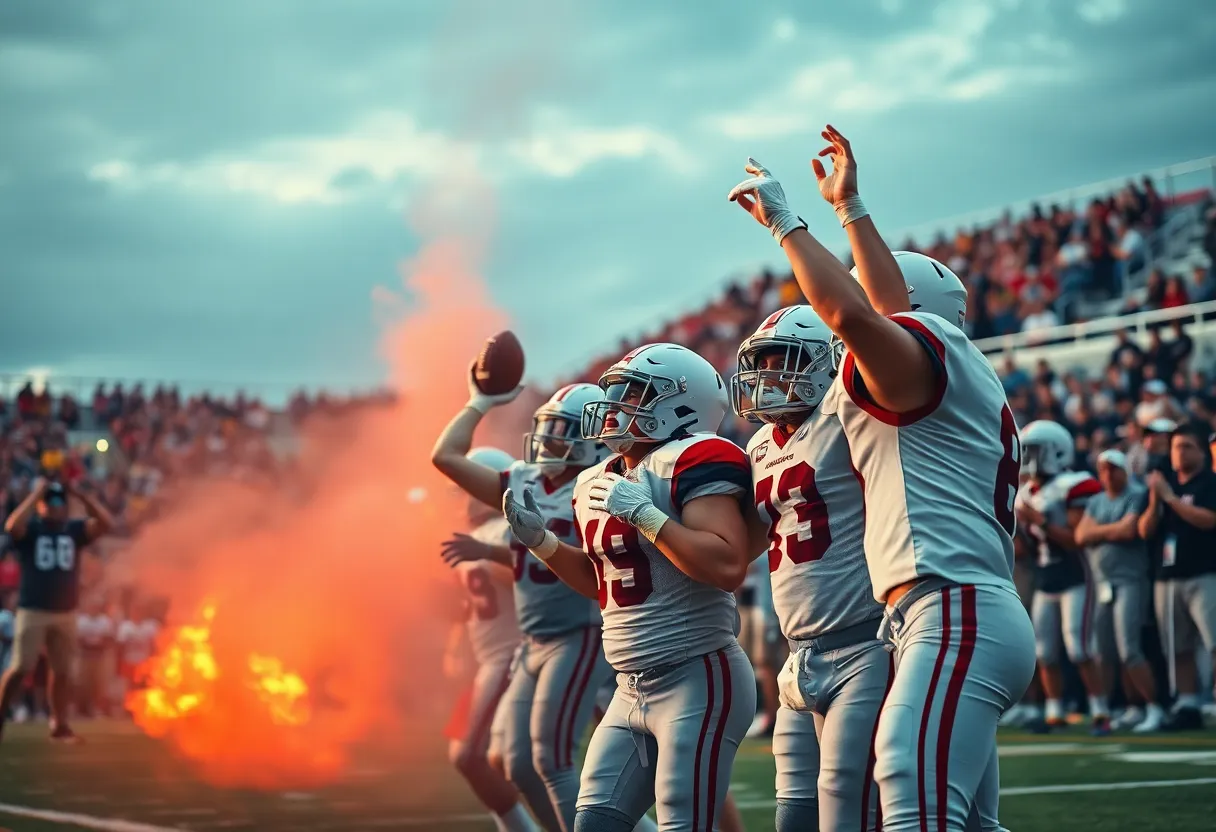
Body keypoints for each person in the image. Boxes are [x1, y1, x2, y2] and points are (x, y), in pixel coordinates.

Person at [728, 143, 1035, 831]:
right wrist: (849, 208)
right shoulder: (946, 371)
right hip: (945, 608)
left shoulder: (922, 362)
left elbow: (856, 317)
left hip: (951, 606)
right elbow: (882, 310)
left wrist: (787, 224)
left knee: (909, 789)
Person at [504, 343, 757, 831]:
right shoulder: (595, 480)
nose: (616, 406)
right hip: (629, 684)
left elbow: (726, 564)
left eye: (633, 393)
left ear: (679, 406)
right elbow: (606, 586)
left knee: (684, 823)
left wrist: (644, 514)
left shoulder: (694, 457)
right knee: (594, 822)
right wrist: (543, 543)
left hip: (699, 676)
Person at [733, 304, 889, 832]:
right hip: (798, 657)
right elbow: (745, 546)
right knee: (794, 816)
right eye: (763, 361)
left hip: (867, 641)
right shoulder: (757, 444)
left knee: (850, 810)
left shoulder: (851, 413)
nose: (769, 375)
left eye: (784, 359)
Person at [432, 379, 613, 832]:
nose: (548, 439)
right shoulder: (523, 479)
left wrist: (492, 553)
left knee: (552, 760)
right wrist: (480, 401)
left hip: (580, 633)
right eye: (547, 427)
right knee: (516, 764)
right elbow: (445, 458)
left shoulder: (601, 486)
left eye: (562, 429)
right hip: (532, 641)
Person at [439, 446, 538, 832]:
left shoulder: (501, 531)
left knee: (474, 756)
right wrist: (455, 643)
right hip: (491, 660)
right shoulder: (479, 535)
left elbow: (535, 578)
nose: (458, 494)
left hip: (512, 656)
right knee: (491, 759)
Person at [1014, 420, 1110, 734]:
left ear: (1057, 449)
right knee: (1044, 651)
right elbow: (1023, 549)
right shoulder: (1026, 491)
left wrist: (1038, 521)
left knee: (1080, 647)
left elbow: (1074, 539)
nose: (1029, 456)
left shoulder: (1075, 484)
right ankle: (1053, 711)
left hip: (1076, 575)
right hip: (1045, 577)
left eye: (1036, 449)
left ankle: (1101, 712)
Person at [0, 479, 113, 743]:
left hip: (65, 611)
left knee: (63, 671)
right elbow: (12, 526)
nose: (55, 507)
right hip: (33, 609)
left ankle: (60, 724)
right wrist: (35, 494)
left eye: (59, 502)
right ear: (41, 504)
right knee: (20, 667)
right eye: (50, 502)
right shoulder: (32, 529)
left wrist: (82, 496)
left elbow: (106, 523)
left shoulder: (72, 529)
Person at [1075, 449, 1165, 733]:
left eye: (1112, 468)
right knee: (1106, 651)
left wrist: (1098, 532)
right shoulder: (1097, 500)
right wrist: (1108, 531)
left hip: (1130, 580)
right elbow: (1080, 536)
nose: (1107, 474)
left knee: (1130, 649)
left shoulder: (1134, 494)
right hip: (1104, 584)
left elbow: (1129, 531)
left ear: (1123, 470)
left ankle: (1155, 707)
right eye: (1103, 469)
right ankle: (1131, 707)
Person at [1138, 422, 1216, 731]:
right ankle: (1188, 703)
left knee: (1213, 642)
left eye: (1187, 447)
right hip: (1167, 575)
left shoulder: (1209, 483)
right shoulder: (1163, 484)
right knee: (1177, 646)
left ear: (1202, 452)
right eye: (1175, 447)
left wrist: (1170, 499)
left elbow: (1209, 520)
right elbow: (1145, 530)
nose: (1179, 453)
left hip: (1204, 572)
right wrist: (1157, 501)